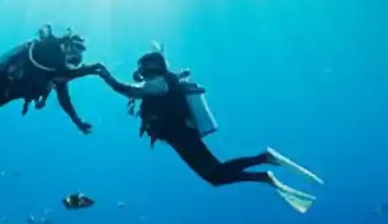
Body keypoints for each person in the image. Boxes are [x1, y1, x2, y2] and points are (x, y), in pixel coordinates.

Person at [95, 46, 322, 212]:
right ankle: (263, 174)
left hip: (181, 135)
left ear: (149, 68)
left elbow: (127, 90)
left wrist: (105, 75)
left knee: (215, 173)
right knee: (215, 176)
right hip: (180, 135)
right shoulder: (166, 80)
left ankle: (264, 160)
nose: (140, 72)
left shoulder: (158, 83)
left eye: (142, 68)